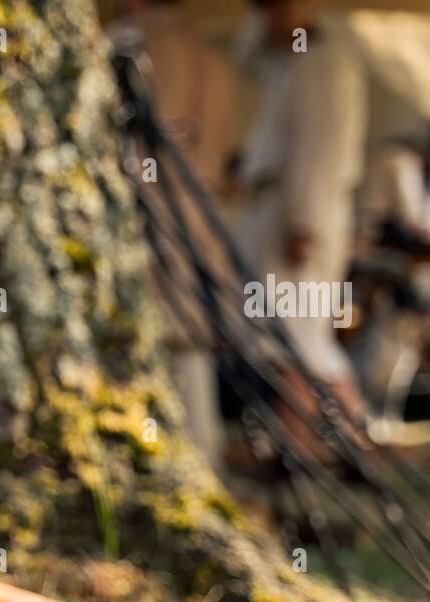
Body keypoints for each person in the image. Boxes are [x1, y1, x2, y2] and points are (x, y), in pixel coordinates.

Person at [109, 0, 238, 467]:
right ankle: (199, 461)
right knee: (190, 356)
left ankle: (171, 464)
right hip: (200, 218)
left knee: (154, 351)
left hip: (151, 219)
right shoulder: (214, 61)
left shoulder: (125, 47)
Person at [236, 0, 367, 423]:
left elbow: (319, 153)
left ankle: (331, 438)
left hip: (300, 220)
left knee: (299, 335)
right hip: (282, 212)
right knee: (285, 334)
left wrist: (303, 224)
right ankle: (306, 441)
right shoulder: (289, 63)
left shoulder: (323, 62)